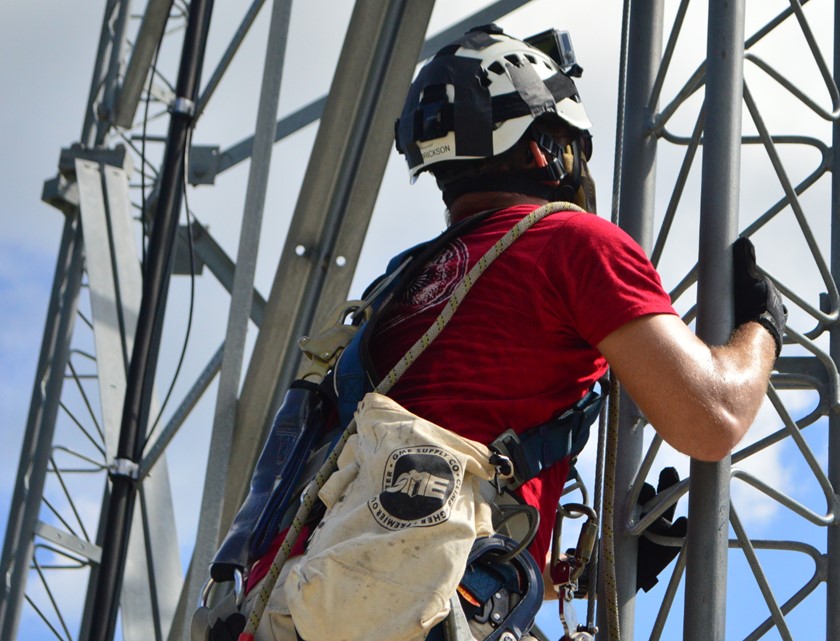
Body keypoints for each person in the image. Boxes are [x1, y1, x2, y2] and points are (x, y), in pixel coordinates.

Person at [234, 24, 785, 641]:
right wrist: (759, 328)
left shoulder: (396, 290)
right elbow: (709, 417)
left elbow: (411, 528)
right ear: (542, 148)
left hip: (290, 605)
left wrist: (578, 573)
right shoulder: (573, 244)